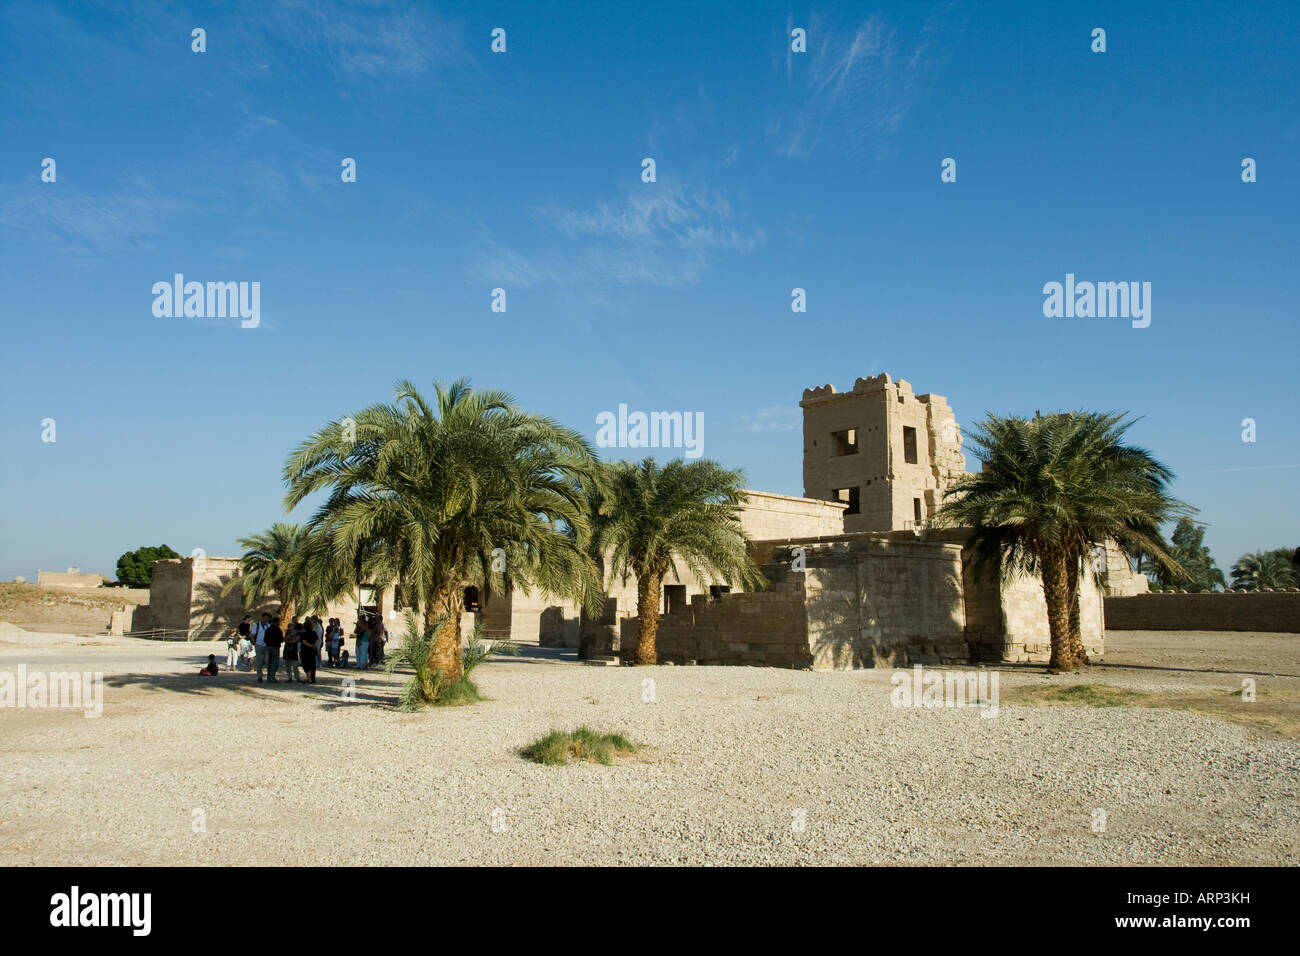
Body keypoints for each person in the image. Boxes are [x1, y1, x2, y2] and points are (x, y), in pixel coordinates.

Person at [252, 612, 273, 683]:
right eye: (265, 618)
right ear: (262, 618)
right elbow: (252, 635)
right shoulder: (256, 625)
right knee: (259, 662)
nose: (266, 620)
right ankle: (259, 677)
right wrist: (254, 643)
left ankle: (269, 676)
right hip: (259, 645)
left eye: (268, 619)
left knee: (268, 661)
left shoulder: (268, 626)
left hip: (266, 645)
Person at [263, 616, 283, 683]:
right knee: (274, 663)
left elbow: (265, 639)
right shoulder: (278, 630)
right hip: (275, 647)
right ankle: (272, 677)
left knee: (269, 662)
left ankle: (269, 677)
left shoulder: (268, 629)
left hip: (268, 647)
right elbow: (281, 639)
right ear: (277, 622)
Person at [300, 616, 319, 684]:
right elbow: (317, 639)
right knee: (312, 664)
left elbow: (304, 642)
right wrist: (314, 645)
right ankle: (312, 678)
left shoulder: (304, 634)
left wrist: (311, 646)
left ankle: (309, 678)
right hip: (313, 651)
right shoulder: (313, 633)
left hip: (306, 651)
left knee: (306, 664)